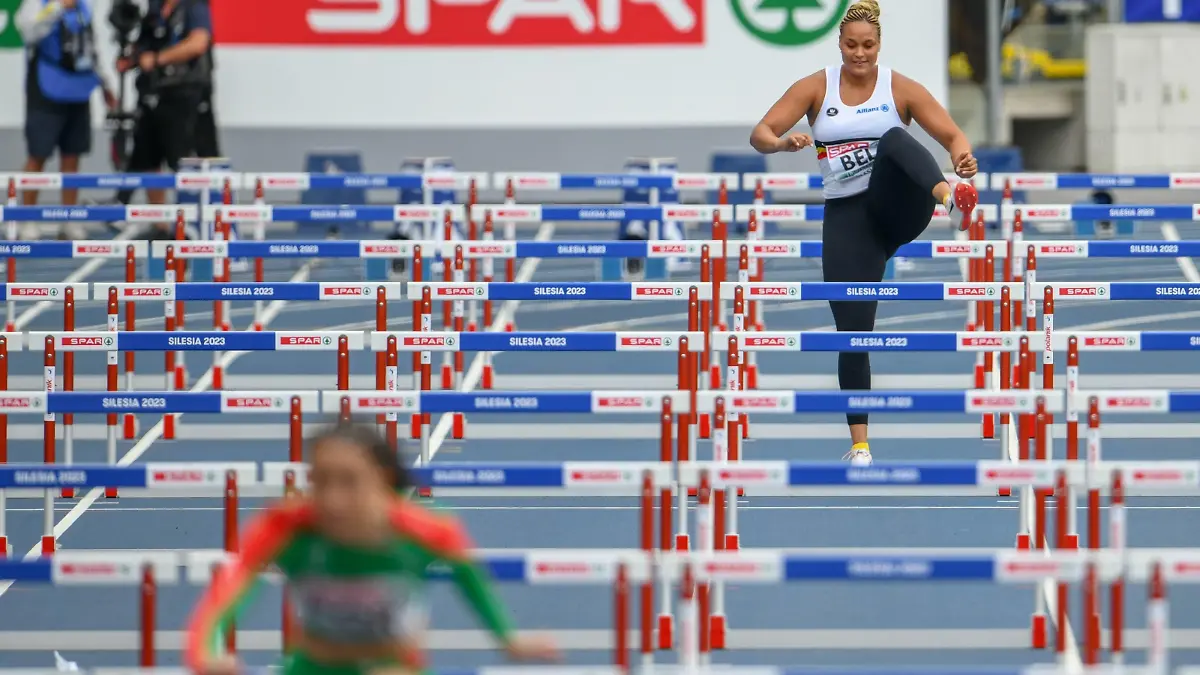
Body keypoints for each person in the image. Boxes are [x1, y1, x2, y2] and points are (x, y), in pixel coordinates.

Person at [749, 0, 979, 467]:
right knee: (853, 334)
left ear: (880, 45)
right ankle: (860, 445)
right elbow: (760, 132)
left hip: (900, 205)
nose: (859, 54)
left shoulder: (900, 88)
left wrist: (962, 161)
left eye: (868, 46)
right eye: (851, 45)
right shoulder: (817, 87)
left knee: (894, 138)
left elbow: (954, 136)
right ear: (839, 44)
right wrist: (780, 142)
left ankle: (950, 199)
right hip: (848, 219)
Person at [184, 422, 558, 675]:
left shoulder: (430, 530)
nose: (332, 499)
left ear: (383, 479)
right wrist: (203, 652)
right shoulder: (285, 526)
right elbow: (228, 594)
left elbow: (471, 581)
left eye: (350, 481)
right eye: (320, 481)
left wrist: (509, 637)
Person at [16, 0, 116, 241]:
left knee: (72, 157)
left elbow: (91, 47)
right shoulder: (37, 3)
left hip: (79, 89)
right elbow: (28, 31)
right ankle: (27, 218)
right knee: (37, 155)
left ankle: (69, 218)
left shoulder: (85, 7)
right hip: (46, 87)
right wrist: (58, 7)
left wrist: (105, 84)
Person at [117, 0, 213, 238]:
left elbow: (198, 43)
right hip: (153, 92)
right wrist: (133, 58)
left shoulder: (194, 6)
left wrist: (159, 58)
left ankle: (192, 227)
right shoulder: (154, 8)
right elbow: (146, 46)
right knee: (149, 159)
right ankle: (160, 224)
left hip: (184, 94)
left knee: (182, 162)